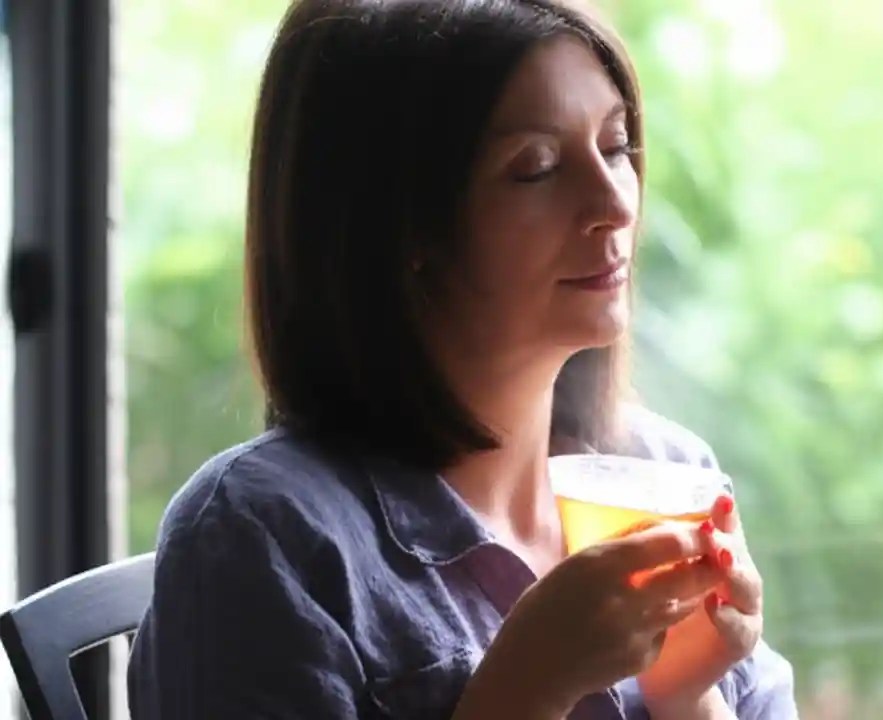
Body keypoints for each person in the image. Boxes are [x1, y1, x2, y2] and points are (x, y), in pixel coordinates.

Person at [126, 0, 798, 718]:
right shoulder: (266, 537)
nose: (613, 202)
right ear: (396, 224)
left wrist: (688, 692)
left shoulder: (666, 477)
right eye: (536, 168)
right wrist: (528, 683)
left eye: (615, 145)